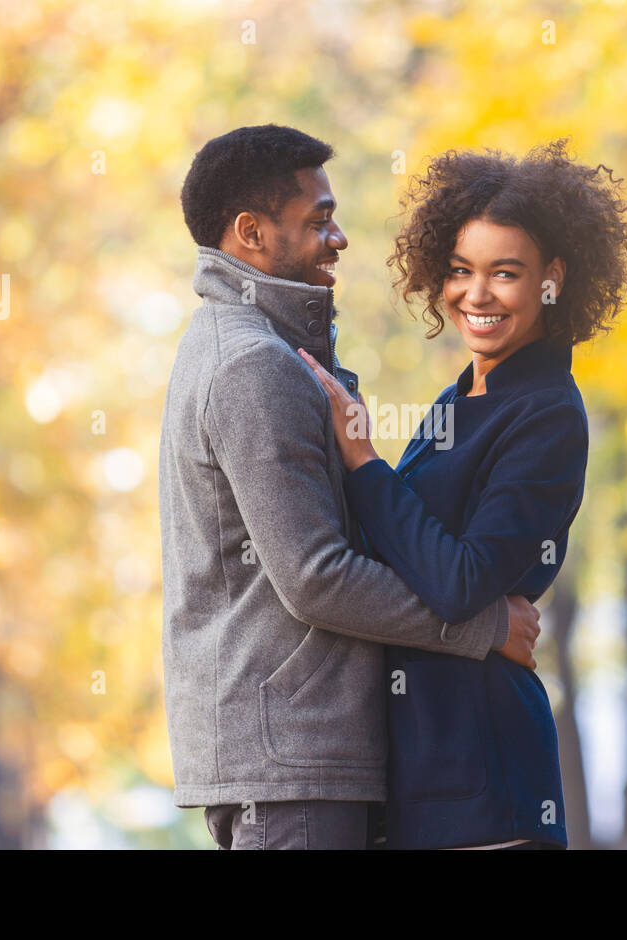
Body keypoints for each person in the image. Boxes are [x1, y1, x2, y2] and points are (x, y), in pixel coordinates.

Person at [160, 124, 543, 850]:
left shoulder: (263, 349)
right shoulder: (253, 367)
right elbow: (316, 577)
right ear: (250, 232)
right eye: (317, 221)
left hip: (298, 755)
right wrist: (485, 627)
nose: (337, 239)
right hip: (296, 761)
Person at [300, 139, 627, 849]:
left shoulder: (545, 411)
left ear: (553, 278)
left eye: (504, 273)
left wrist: (364, 463)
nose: (475, 295)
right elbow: (410, 556)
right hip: (429, 771)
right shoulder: (466, 393)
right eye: (460, 271)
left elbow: (459, 582)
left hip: (485, 782)